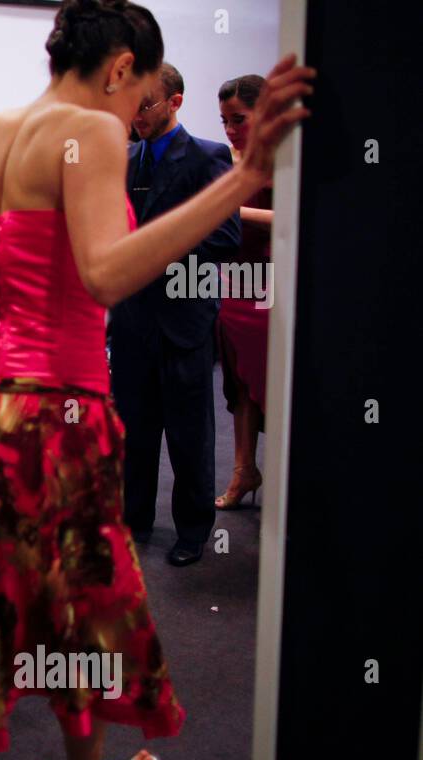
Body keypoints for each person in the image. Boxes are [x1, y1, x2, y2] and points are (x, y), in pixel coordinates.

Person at [0, 0, 313, 760]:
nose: (135, 120)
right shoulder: (91, 133)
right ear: (122, 66)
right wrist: (244, 179)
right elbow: (103, 274)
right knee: (77, 618)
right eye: (137, 101)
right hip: (49, 423)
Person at [110, 62, 241, 567]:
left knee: (189, 437)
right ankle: (134, 521)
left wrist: (153, 250)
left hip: (184, 319)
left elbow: (225, 238)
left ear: (175, 101)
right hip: (132, 320)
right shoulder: (122, 159)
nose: (136, 116)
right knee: (135, 434)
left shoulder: (209, 157)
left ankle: (192, 532)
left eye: (145, 105)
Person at [215, 74, 271, 509]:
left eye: (239, 119)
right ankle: (244, 471)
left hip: (272, 281)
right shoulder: (228, 157)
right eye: (225, 121)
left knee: (270, 380)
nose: (231, 129)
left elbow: (295, 216)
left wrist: (236, 209)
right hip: (233, 280)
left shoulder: (286, 157)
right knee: (238, 384)